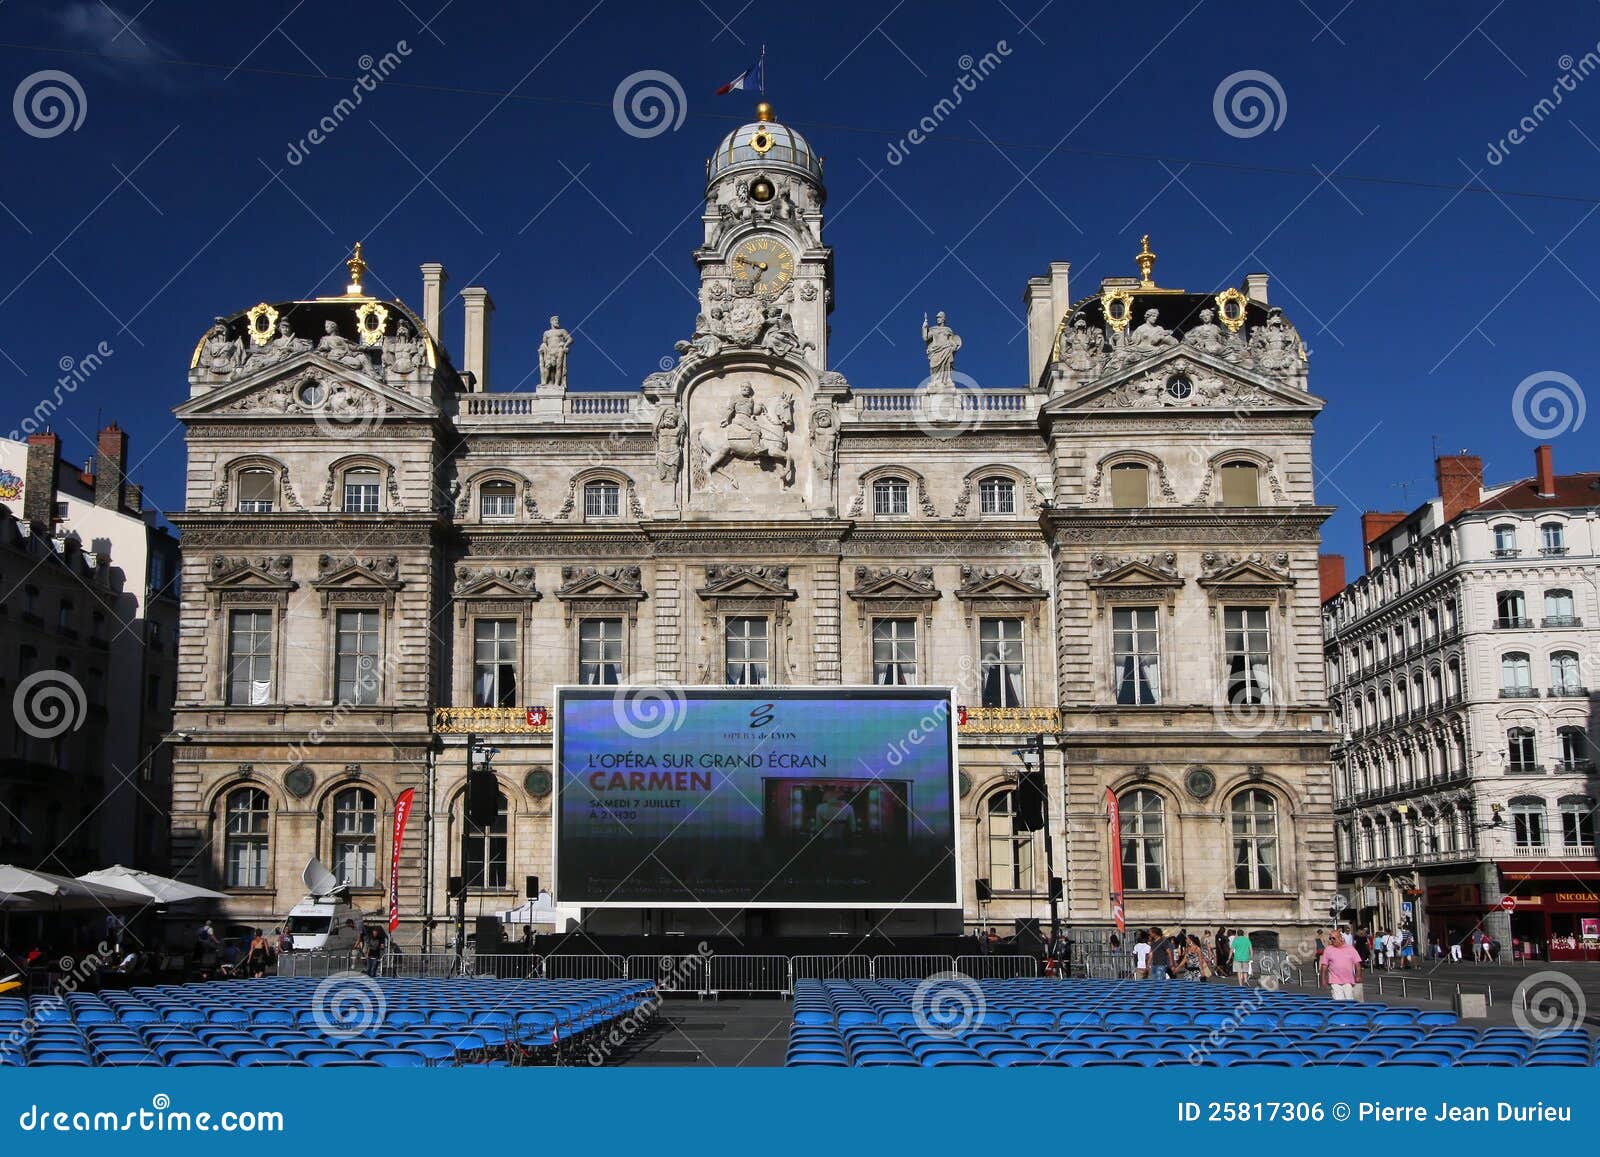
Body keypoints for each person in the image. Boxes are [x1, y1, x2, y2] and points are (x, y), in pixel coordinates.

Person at [1320, 930, 1363, 1001]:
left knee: (1349, 1000)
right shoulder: (1328, 950)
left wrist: (1358, 976)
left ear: (1340, 938)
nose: (1331, 940)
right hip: (1335, 981)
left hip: (1348, 980)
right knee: (1339, 1001)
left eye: (1333, 938)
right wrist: (1323, 980)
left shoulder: (1350, 949)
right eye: (1330, 938)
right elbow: (1324, 965)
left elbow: (1357, 963)